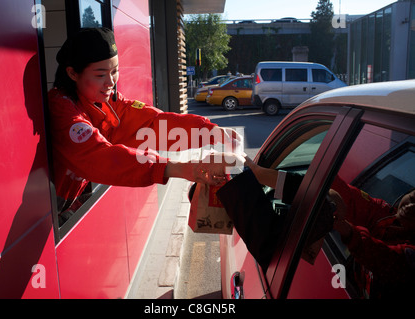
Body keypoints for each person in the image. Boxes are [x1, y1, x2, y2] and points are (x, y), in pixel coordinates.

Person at [48, 27, 243, 217]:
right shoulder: (61, 109)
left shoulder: (105, 101)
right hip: (46, 213)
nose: (110, 82)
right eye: (100, 75)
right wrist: (177, 168)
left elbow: (152, 124)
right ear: (73, 73)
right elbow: (99, 157)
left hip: (62, 205)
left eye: (115, 71)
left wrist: (209, 132)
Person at [244, 157, 415, 298]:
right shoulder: (385, 215)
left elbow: (390, 261)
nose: (410, 206)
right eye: (413, 197)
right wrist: (327, 192)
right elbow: (344, 194)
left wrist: (348, 231)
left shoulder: (407, 250)